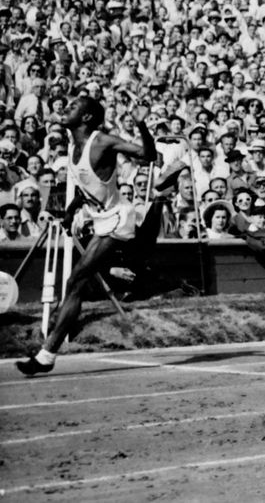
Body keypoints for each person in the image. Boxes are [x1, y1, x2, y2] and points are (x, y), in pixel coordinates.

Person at [16, 96, 158, 375]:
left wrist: (141, 125)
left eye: (72, 107)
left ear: (87, 118)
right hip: (98, 217)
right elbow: (85, 186)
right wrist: (71, 211)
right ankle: (47, 353)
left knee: (76, 278)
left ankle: (47, 354)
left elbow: (148, 156)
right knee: (76, 283)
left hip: (118, 218)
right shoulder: (72, 147)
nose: (64, 108)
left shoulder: (103, 141)